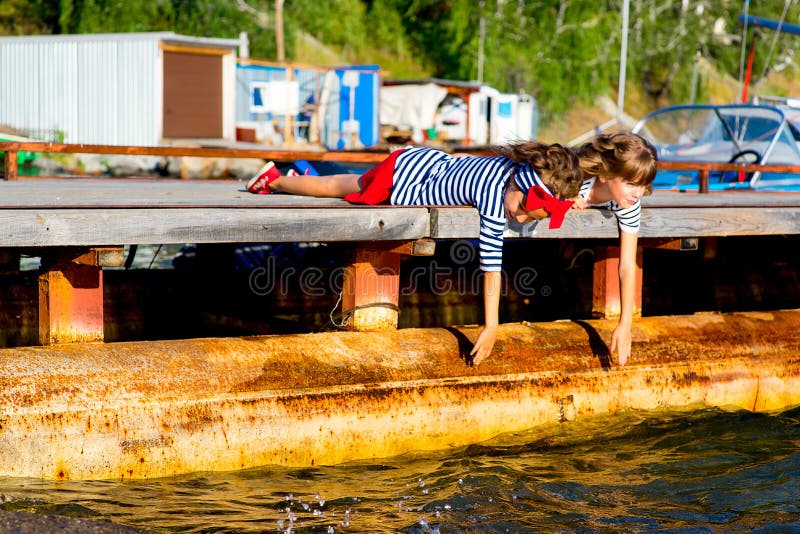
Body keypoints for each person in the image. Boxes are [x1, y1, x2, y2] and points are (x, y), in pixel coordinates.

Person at [246, 142, 585, 365]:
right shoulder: (495, 197)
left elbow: (555, 189)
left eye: (531, 217)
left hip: (427, 161)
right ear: (519, 185)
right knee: (338, 187)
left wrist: (576, 199)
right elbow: (491, 265)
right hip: (405, 176)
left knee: (344, 182)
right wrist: (491, 326)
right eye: (524, 208)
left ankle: (291, 178)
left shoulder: (509, 172)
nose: (521, 218)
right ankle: (274, 180)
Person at [571, 132, 659, 367]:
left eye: (643, 185)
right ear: (604, 174)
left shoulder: (629, 204)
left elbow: (628, 265)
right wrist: (565, 198)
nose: (638, 193)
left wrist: (625, 323)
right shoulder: (572, 178)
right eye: (631, 184)